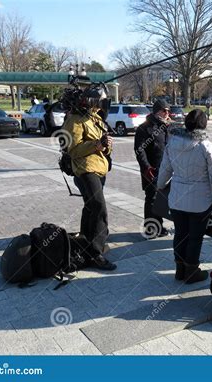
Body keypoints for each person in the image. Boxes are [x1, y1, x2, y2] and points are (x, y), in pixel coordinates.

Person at [157, 109, 212, 284]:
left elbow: (165, 169)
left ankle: (180, 270)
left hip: (176, 199)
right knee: (194, 237)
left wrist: (159, 185)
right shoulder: (205, 146)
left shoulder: (172, 142)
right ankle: (192, 272)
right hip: (200, 202)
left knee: (180, 234)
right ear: (204, 125)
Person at [63, 84, 116, 271]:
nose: (104, 105)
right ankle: (96, 252)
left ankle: (84, 244)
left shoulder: (96, 118)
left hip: (100, 169)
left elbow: (103, 146)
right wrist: (97, 144)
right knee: (99, 208)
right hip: (85, 171)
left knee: (90, 208)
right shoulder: (75, 121)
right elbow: (73, 150)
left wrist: (107, 144)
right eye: (101, 101)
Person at [134, 99, 171, 238]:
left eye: (168, 110)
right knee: (151, 198)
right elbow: (139, 150)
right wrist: (146, 167)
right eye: (164, 110)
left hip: (165, 169)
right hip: (151, 169)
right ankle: (150, 228)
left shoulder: (166, 126)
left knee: (160, 198)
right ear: (156, 111)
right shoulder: (145, 127)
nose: (167, 113)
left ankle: (158, 225)